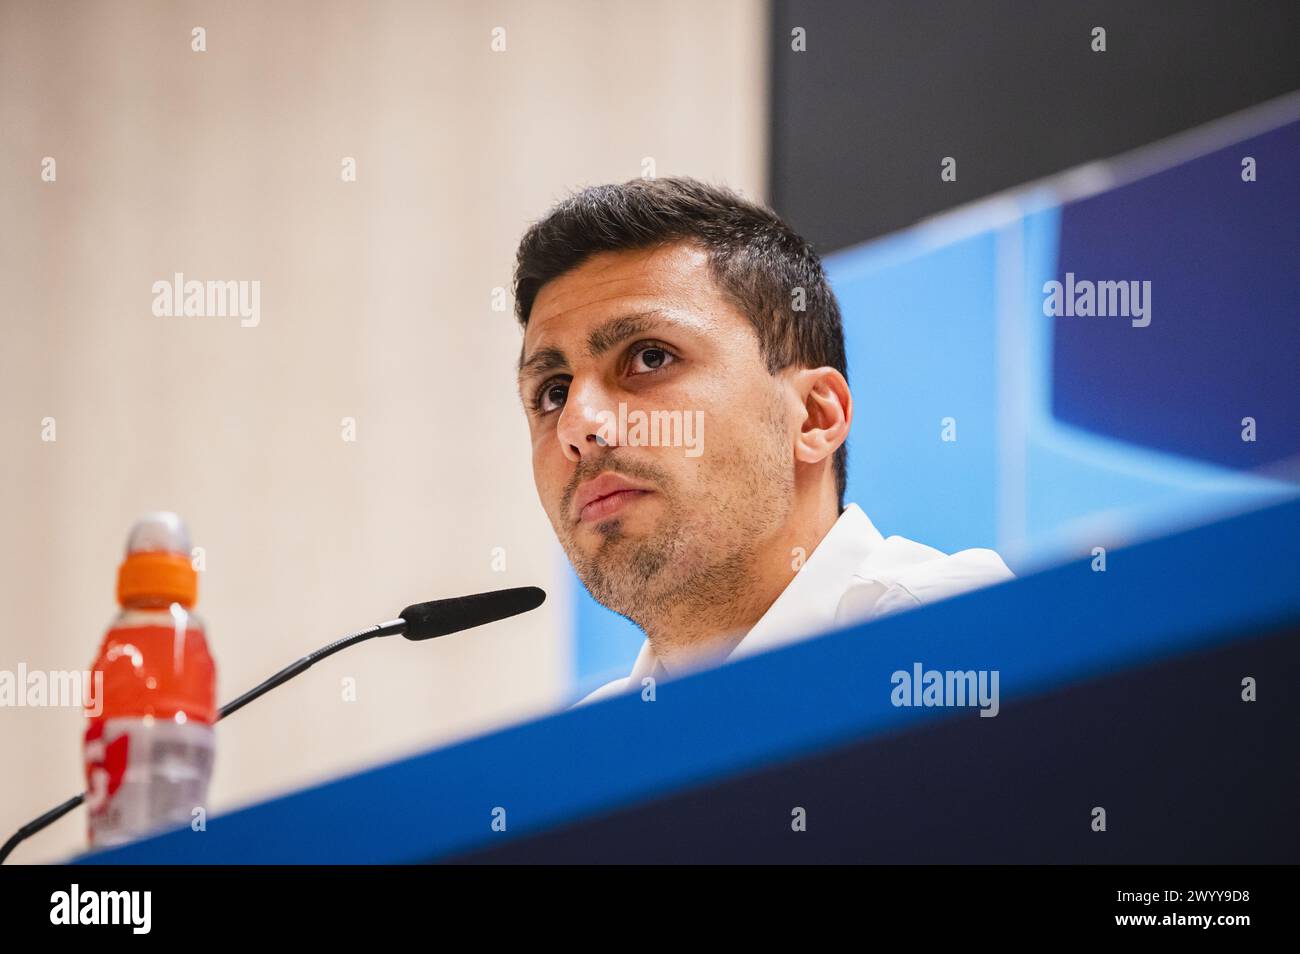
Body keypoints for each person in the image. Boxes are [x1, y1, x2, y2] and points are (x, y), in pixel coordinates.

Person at [511, 177, 1013, 705]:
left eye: (650, 357)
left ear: (814, 416)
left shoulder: (956, 633)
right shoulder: (594, 744)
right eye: (554, 392)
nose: (577, 424)